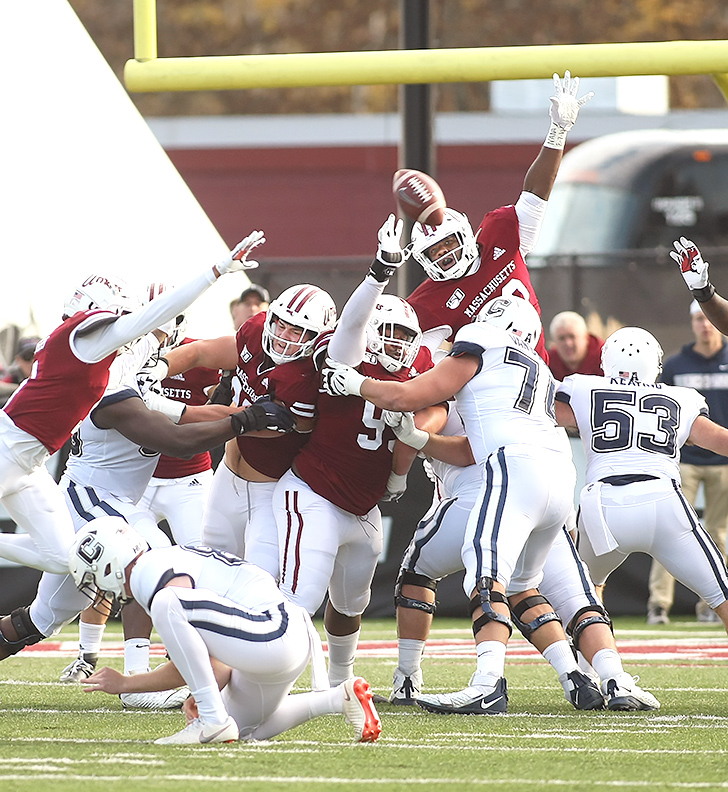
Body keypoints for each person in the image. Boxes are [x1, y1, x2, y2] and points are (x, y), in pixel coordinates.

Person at [322, 296, 585, 714]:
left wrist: (353, 383)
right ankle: (577, 674)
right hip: (558, 478)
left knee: (476, 579)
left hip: (502, 480)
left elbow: (410, 397)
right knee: (522, 586)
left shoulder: (479, 348)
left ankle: (472, 683)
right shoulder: (537, 372)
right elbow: (465, 444)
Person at [0, 330, 295, 673]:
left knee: (43, 617)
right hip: (92, 497)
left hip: (110, 499)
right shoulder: (111, 389)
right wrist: (243, 420)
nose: (150, 351)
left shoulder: (133, 382)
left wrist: (234, 414)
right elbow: (175, 440)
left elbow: (187, 412)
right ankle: (140, 675)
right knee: (151, 559)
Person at [0, 230, 265, 580]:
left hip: (31, 460)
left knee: (62, 556)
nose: (124, 318)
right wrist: (215, 271)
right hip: (8, 450)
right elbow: (154, 316)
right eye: (118, 311)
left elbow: (150, 388)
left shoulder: (96, 352)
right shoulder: (84, 341)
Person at [384, 403, 658, 711]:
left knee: (462, 579)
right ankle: (600, 677)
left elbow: (432, 433)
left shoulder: (464, 389)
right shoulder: (535, 397)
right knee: (559, 596)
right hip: (552, 492)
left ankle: (435, 680)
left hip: (493, 495)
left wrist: (402, 448)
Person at [273, 215, 446, 687]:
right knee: (301, 596)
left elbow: (438, 408)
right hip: (314, 491)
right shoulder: (348, 356)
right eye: (386, 332)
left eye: (405, 338)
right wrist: (380, 271)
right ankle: (281, 683)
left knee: (353, 602)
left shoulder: (420, 366)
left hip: (363, 504)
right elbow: (351, 322)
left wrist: (409, 444)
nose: (395, 344)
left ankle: (339, 680)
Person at [68, 516, 382, 744]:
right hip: (277, 640)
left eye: (93, 576)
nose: (97, 587)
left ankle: (211, 720)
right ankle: (338, 698)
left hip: (273, 632)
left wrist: (129, 684)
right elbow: (211, 661)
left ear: (108, 564)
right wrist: (199, 690)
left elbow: (200, 651)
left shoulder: (148, 574)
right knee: (244, 729)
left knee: (167, 603)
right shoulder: (162, 562)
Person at [556, 326, 728, 648]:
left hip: (603, 505)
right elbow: (720, 440)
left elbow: (545, 412)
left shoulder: (584, 389)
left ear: (606, 362)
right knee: (722, 593)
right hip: (663, 501)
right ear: (656, 364)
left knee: (584, 592)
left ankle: (596, 672)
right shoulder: (679, 398)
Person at [151, 283, 337, 578]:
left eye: (297, 331)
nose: (283, 336)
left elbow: (244, 422)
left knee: (258, 580)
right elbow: (201, 352)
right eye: (281, 324)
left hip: (271, 490)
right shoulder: (256, 331)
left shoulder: (305, 377)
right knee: (210, 575)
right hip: (227, 477)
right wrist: (157, 368)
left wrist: (177, 412)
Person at [406, 71, 594, 360]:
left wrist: (558, 130)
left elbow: (535, 192)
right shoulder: (426, 303)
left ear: (465, 236)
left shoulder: (500, 232)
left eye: (448, 243)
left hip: (536, 371)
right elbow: (410, 358)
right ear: (423, 259)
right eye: (435, 251)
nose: (444, 254)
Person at [647, 300, 728, 625]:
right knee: (672, 531)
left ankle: (712, 603)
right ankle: (658, 604)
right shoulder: (677, 365)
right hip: (685, 460)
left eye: (708, 318)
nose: (705, 324)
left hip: (723, 461)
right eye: (698, 318)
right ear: (693, 322)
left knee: (719, 533)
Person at [547, 311, 603, 380]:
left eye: (572, 336)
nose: (568, 343)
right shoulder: (548, 362)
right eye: (561, 338)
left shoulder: (605, 358)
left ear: (586, 337)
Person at [0, 336, 41, 407]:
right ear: (19, 360)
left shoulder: (54, 376)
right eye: (28, 356)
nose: (33, 361)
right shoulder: (11, 376)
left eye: (38, 356)